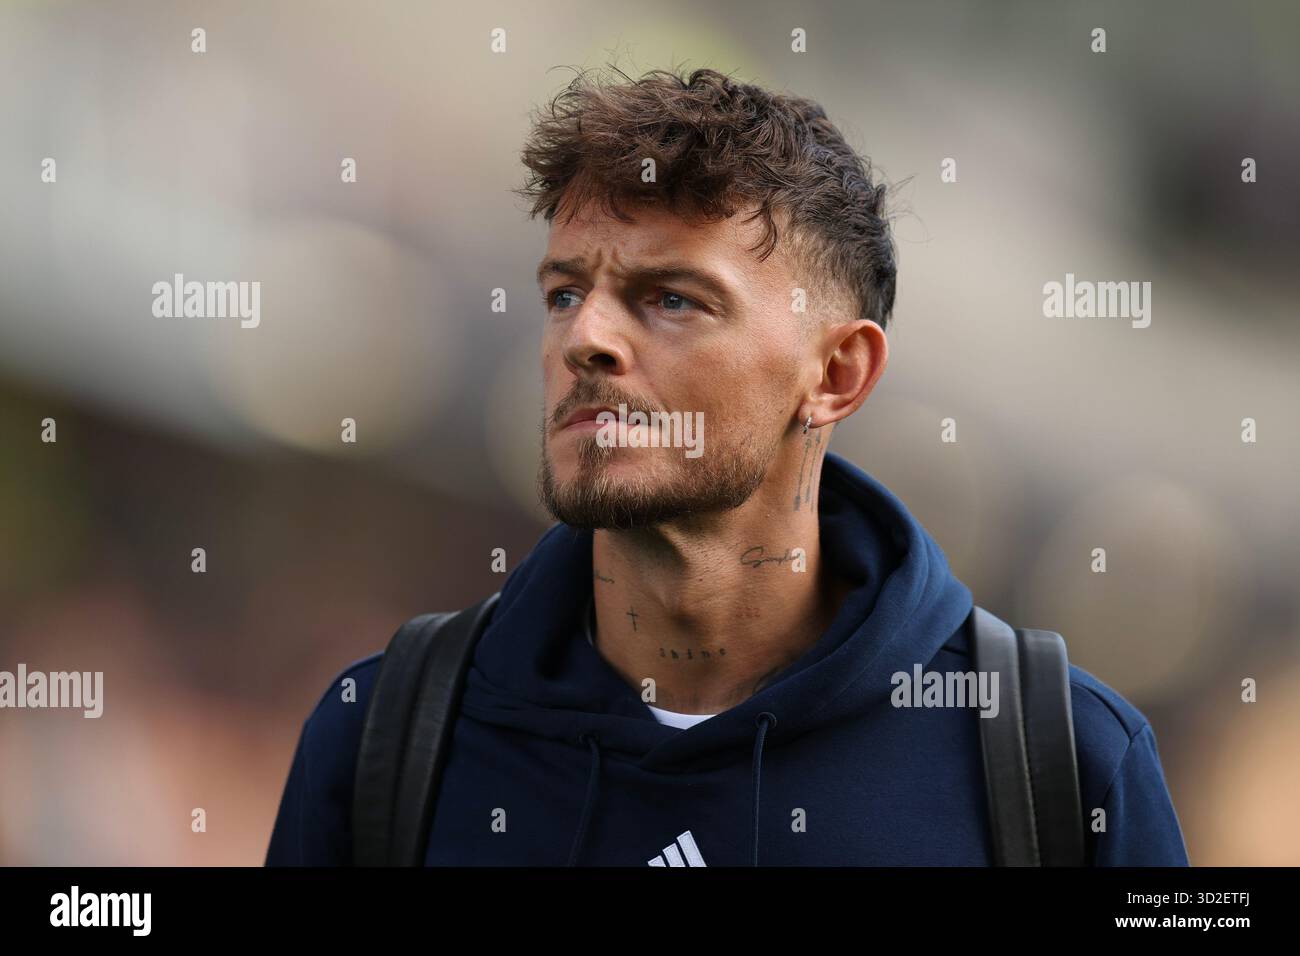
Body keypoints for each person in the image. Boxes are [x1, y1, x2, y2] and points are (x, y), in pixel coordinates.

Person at [266, 67, 1188, 866]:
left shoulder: (1055, 762)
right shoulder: (388, 731)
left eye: (671, 298)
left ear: (836, 374)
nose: (586, 338)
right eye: (564, 292)